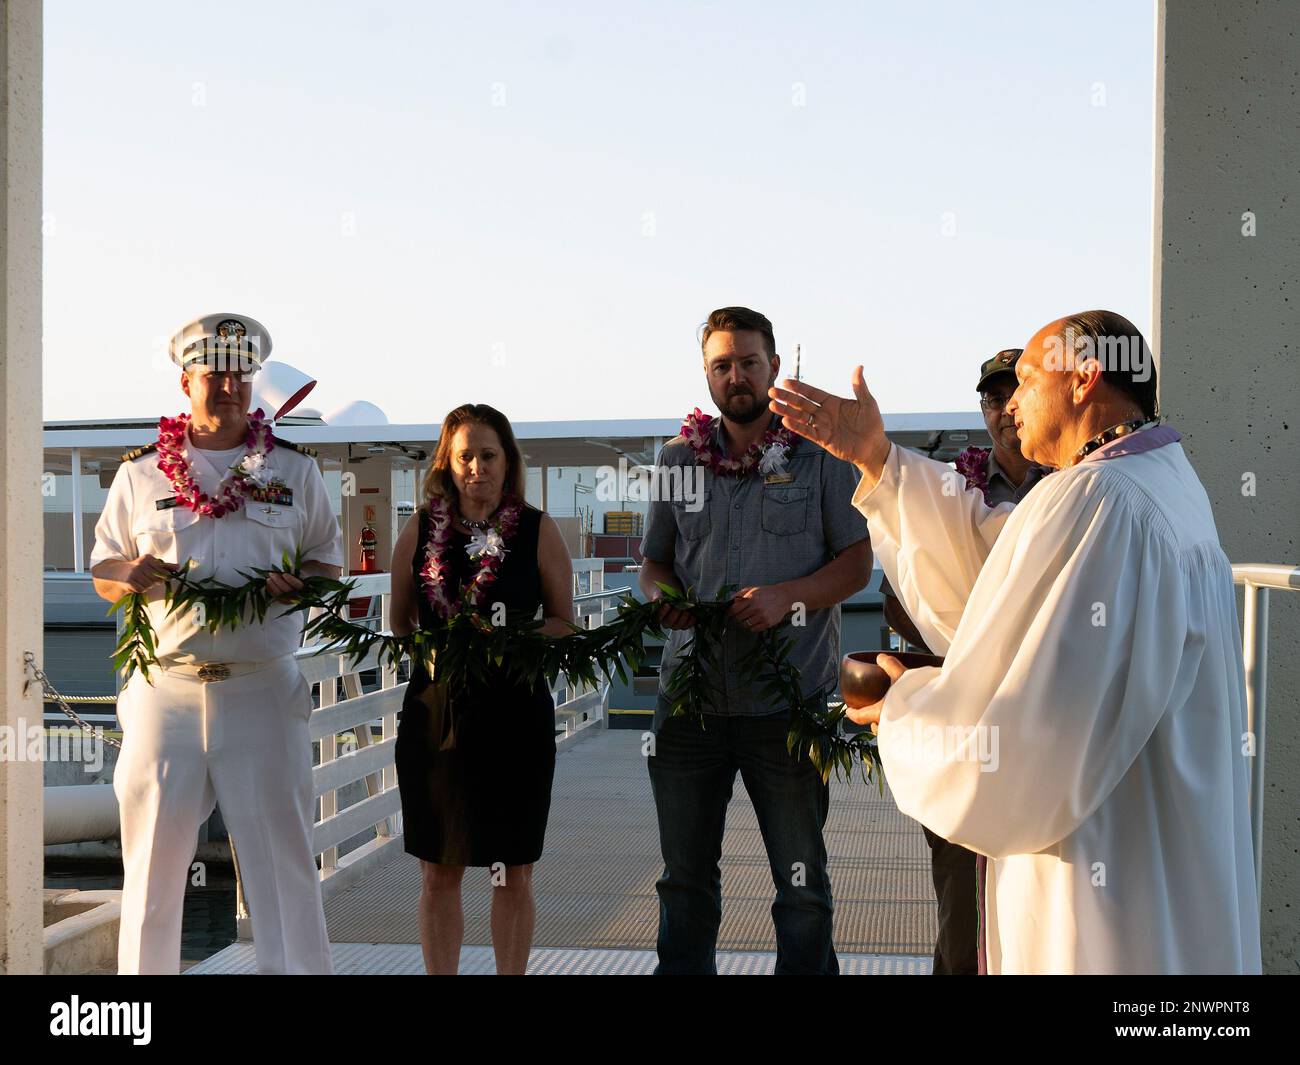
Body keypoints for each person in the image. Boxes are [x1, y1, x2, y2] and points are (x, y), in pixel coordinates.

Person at [769, 309, 1261, 974]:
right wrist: (877, 459)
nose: (1013, 402)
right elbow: (1002, 567)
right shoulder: (1163, 480)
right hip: (1161, 846)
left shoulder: (1099, 499)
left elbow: (1030, 735)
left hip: (1107, 881)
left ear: (1085, 378)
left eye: (1028, 379)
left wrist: (906, 708)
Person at [91, 313, 344, 975]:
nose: (230, 385)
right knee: (149, 868)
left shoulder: (295, 469)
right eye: (214, 372)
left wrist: (303, 585)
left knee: (285, 862)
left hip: (262, 685)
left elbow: (328, 562)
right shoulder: (141, 475)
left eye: (241, 372)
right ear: (186, 380)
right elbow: (104, 569)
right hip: (165, 690)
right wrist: (129, 577)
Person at [638, 306, 873, 974]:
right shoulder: (677, 459)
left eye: (747, 361)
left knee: (801, 888)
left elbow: (855, 564)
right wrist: (663, 601)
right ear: (705, 373)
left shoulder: (819, 456)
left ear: (773, 366)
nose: (735, 375)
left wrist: (785, 597)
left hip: (790, 706)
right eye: (721, 364)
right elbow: (653, 564)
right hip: (690, 706)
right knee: (684, 884)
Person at [388, 403, 574, 975]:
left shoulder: (539, 529)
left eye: (488, 455)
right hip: (437, 715)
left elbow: (565, 620)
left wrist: (506, 641)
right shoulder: (420, 528)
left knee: (513, 867)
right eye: (465, 456)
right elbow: (400, 621)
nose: (477, 468)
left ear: (507, 461)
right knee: (438, 868)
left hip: (516, 714)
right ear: (447, 462)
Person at [881, 348, 1047, 975]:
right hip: (964, 718)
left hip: (1043, 715)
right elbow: (902, 599)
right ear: (981, 410)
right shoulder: (951, 489)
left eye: (1017, 392)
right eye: (993, 397)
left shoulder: (1073, 487)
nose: (1007, 409)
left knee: (1040, 887)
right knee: (960, 893)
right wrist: (954, 615)